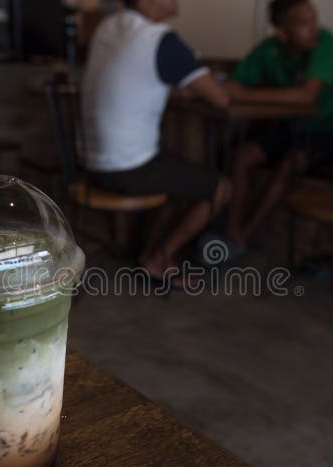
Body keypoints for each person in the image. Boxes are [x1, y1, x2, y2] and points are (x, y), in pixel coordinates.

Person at [81, 0, 232, 286]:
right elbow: (221, 98)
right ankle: (159, 259)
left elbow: (134, 80)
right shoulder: (160, 39)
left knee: (177, 170)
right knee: (220, 189)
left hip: (91, 161)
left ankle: (152, 252)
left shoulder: (108, 26)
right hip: (127, 169)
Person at [224, 0, 333, 249]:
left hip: (324, 130)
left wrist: (245, 96)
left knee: (288, 166)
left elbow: (307, 96)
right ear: (282, 32)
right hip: (286, 128)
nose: (314, 28)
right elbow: (232, 85)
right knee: (239, 158)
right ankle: (231, 230)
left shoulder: (324, 41)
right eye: (304, 24)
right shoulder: (269, 50)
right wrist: (237, 92)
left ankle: (245, 235)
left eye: (315, 20)